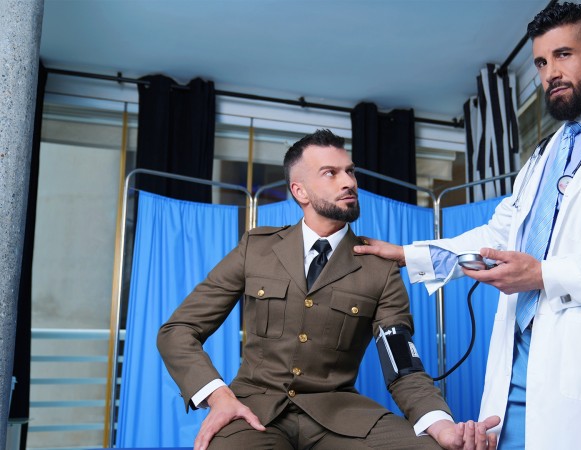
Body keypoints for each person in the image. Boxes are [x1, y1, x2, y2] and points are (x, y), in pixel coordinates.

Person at [353, 3, 581, 449]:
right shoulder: (543, 156)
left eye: (563, 55)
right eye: (541, 62)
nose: (550, 72)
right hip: (517, 377)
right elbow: (499, 236)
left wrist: (543, 275)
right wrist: (408, 255)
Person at [157, 129, 499, 450]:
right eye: (330, 173)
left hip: (341, 417)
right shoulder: (256, 249)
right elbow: (178, 330)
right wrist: (219, 397)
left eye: (350, 171)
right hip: (253, 412)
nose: (349, 182)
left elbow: (403, 367)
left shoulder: (380, 268)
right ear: (300, 191)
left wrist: (441, 425)